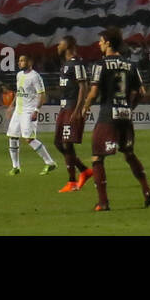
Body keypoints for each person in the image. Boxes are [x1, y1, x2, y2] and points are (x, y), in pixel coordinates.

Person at [79, 27, 150, 211]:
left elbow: (94, 91)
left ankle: (103, 202)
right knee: (128, 153)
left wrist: (85, 107)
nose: (99, 44)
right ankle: (147, 192)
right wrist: (129, 107)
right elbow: (141, 92)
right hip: (125, 115)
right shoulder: (131, 65)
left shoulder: (100, 65)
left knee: (97, 157)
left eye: (101, 41)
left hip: (108, 115)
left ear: (108, 43)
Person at [53, 36, 93, 193]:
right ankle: (84, 170)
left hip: (71, 108)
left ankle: (72, 182)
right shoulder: (65, 65)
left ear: (68, 45)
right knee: (58, 143)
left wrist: (78, 110)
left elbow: (83, 87)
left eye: (60, 43)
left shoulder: (77, 64)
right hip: (64, 108)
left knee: (67, 143)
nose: (57, 46)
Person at [6, 55, 57, 175]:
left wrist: (36, 110)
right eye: (19, 61)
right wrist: (11, 106)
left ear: (30, 62)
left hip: (28, 111)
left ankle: (50, 163)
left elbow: (42, 95)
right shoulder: (19, 75)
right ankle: (16, 167)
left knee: (29, 138)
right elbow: (19, 92)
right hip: (18, 110)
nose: (19, 63)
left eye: (22, 60)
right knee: (12, 137)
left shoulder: (35, 76)